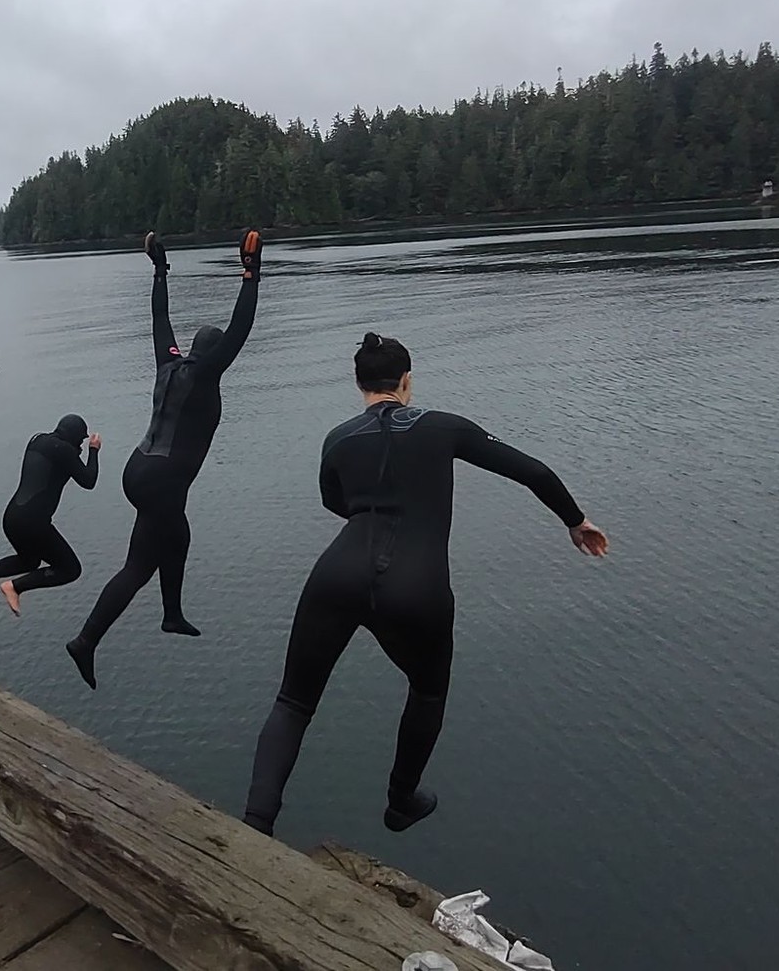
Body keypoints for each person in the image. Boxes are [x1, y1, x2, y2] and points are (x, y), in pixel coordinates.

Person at [240, 333, 609, 838]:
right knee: (428, 690)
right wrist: (575, 520)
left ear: (358, 383)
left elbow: (336, 503)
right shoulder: (443, 427)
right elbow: (532, 471)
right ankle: (400, 801)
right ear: (407, 381)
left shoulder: (338, 438)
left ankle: (254, 827)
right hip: (417, 583)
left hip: (338, 571)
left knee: (294, 702)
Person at [65, 228, 262, 690]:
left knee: (177, 534)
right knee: (138, 567)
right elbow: (242, 327)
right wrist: (251, 273)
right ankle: (85, 641)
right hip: (163, 480)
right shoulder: (208, 374)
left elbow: (160, 317)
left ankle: (171, 614)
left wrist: (159, 268)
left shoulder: (168, 361)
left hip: (139, 469)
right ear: (215, 357)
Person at [0, 414, 101, 616]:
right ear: (74, 437)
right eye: (80, 439)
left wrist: (75, 451)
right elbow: (89, 480)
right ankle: (14, 587)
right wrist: (93, 450)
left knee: (29, 561)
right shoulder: (65, 451)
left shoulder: (37, 439)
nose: (81, 443)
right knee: (70, 570)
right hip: (34, 523)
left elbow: (53, 464)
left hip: (12, 518)